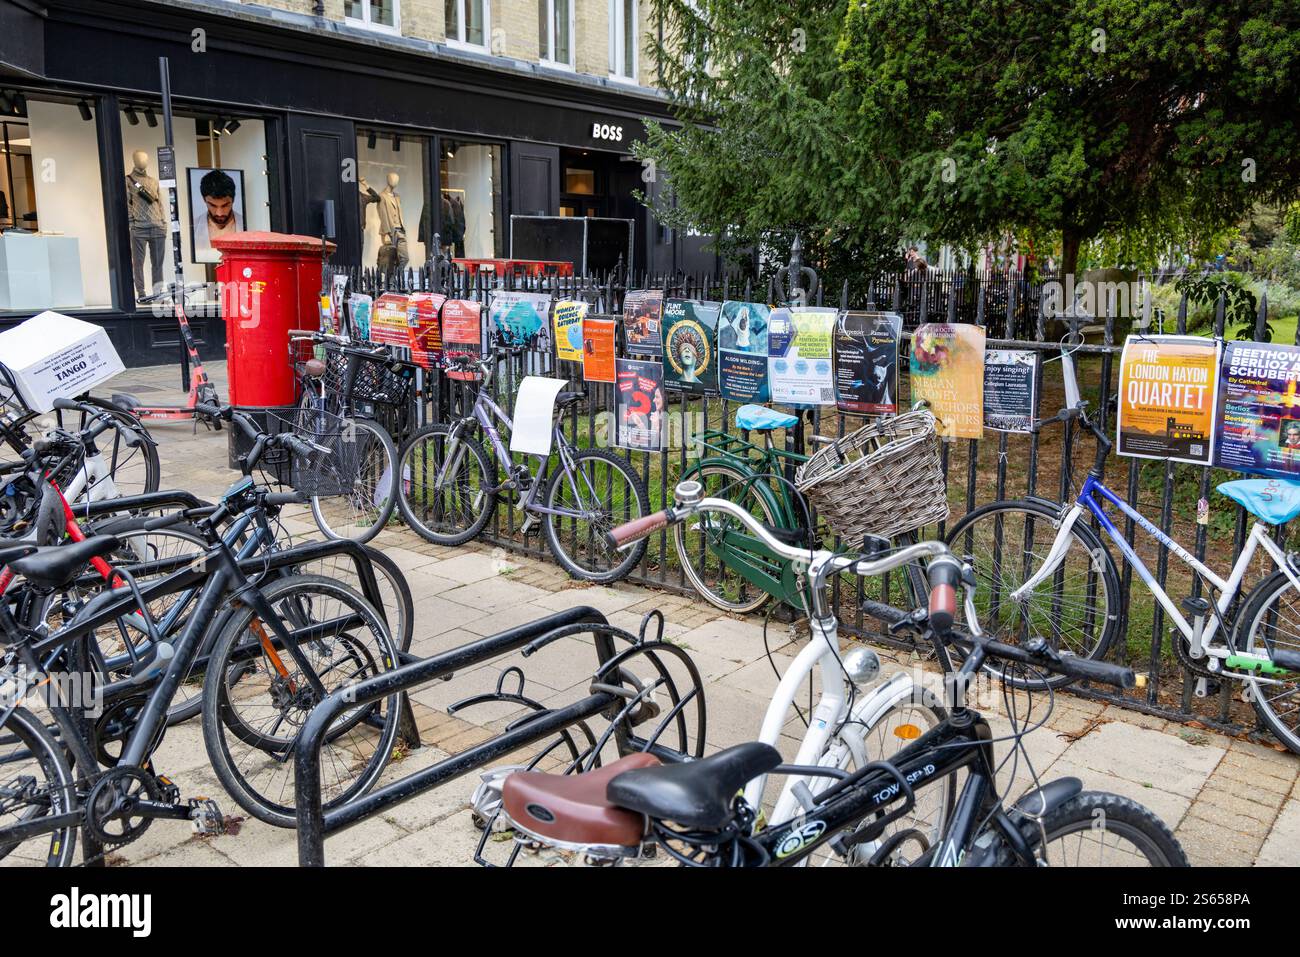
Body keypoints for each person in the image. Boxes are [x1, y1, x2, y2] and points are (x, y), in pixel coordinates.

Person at [194, 169, 243, 257]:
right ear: (204, 199)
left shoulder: (249, 225)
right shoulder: (193, 227)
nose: (219, 213)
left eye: (225, 205)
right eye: (213, 205)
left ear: (233, 200)